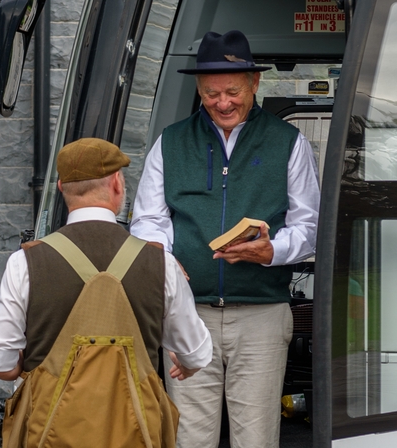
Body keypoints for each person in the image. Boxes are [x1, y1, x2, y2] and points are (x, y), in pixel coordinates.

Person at [131, 30, 320, 448]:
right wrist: (161, 255)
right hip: (186, 314)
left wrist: (272, 251)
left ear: (255, 83)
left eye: (232, 91)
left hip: (262, 316)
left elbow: (310, 229)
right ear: (198, 88)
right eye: (210, 93)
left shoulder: (289, 142)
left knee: (256, 439)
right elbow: (147, 220)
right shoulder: (171, 142)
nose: (222, 103)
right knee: (190, 438)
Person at [0, 137, 212, 390]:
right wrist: (185, 363)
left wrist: (24, 364)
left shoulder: (25, 262)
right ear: (117, 184)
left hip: (49, 427)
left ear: (60, 186)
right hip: (132, 427)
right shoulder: (160, 263)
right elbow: (196, 354)